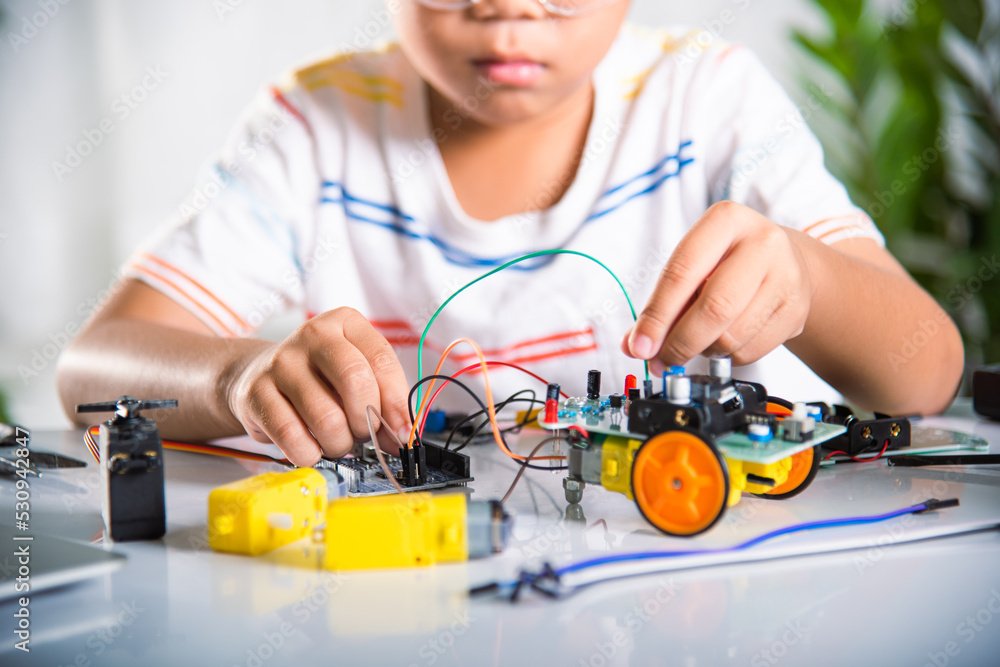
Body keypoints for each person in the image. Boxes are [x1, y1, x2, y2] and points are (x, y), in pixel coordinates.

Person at [57, 0, 964, 468]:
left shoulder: (709, 102)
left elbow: (927, 372)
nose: (509, 5)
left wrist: (809, 276)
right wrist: (238, 373)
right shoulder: (311, 127)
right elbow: (91, 374)